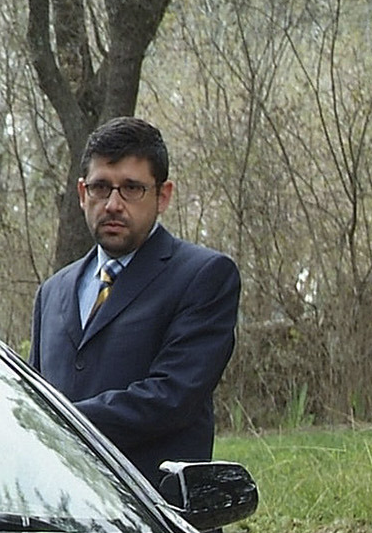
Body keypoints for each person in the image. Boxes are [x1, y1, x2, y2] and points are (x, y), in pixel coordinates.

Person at [30, 116, 242, 483]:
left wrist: (55, 422)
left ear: (163, 196)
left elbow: (170, 398)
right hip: (61, 522)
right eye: (100, 188)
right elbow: (32, 399)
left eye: (131, 188)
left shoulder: (203, 276)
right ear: (82, 194)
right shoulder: (53, 292)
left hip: (158, 523)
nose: (113, 204)